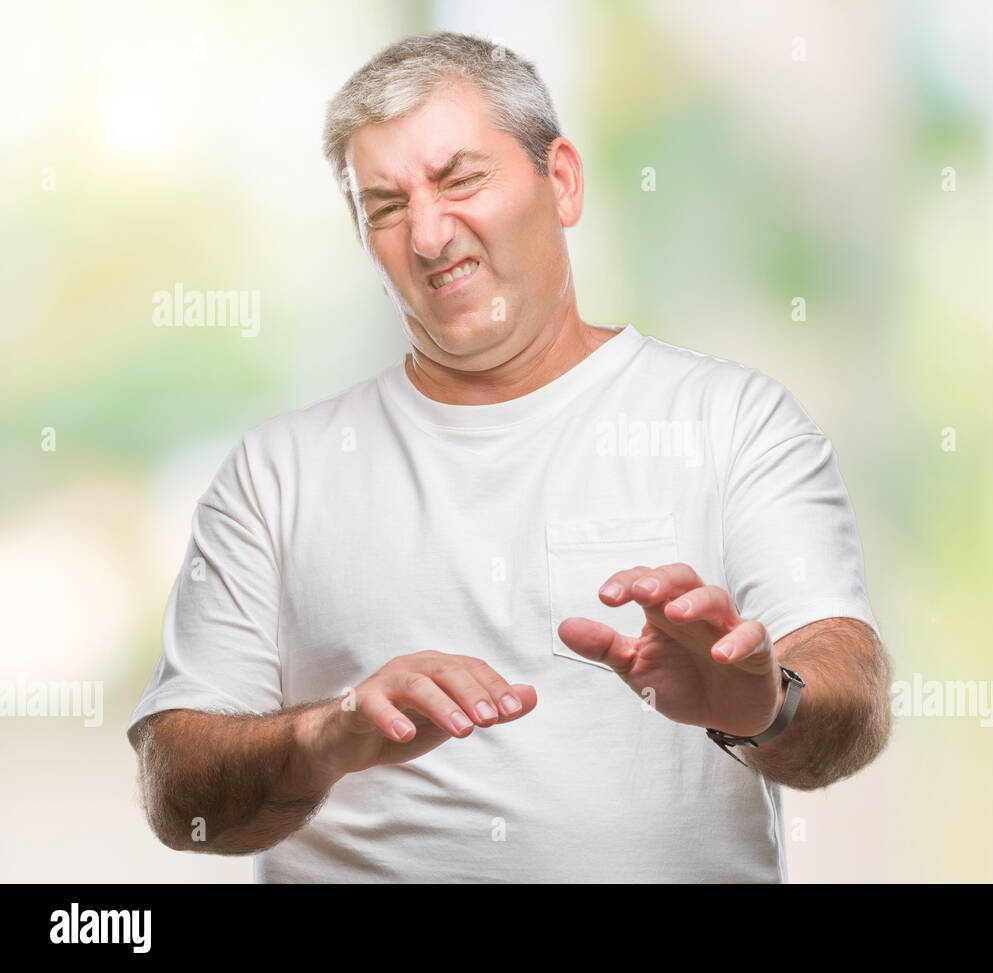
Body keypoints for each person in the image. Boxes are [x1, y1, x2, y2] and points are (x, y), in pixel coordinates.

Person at [128, 31, 892, 883]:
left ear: (560, 181)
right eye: (384, 206)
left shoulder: (732, 420)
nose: (426, 234)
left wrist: (763, 704)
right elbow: (177, 791)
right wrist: (326, 732)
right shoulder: (277, 473)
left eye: (461, 180)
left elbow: (850, 702)